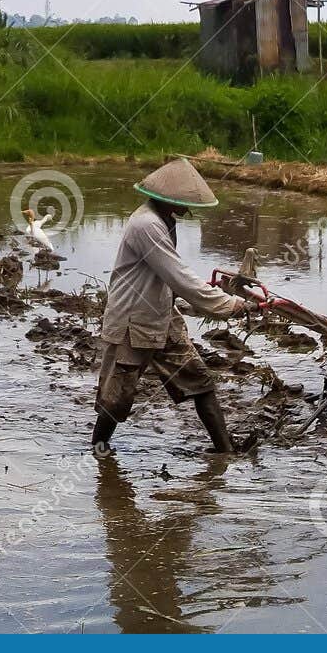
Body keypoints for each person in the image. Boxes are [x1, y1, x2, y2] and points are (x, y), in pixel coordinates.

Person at [92, 158, 259, 455]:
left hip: (163, 318)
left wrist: (214, 290)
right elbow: (178, 276)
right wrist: (231, 305)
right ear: (169, 199)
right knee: (116, 399)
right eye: (184, 202)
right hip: (133, 322)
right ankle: (99, 454)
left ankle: (225, 452)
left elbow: (170, 276)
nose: (188, 209)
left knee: (201, 382)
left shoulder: (164, 221)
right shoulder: (146, 225)